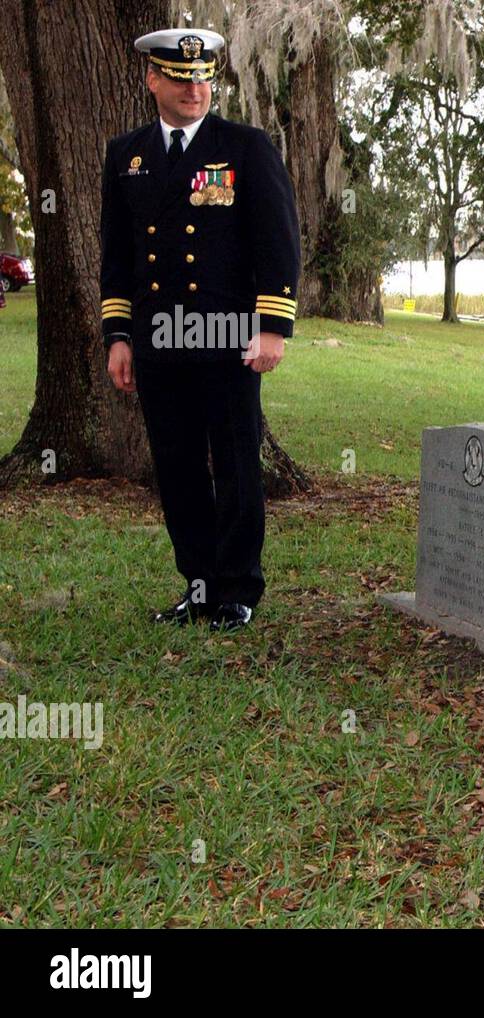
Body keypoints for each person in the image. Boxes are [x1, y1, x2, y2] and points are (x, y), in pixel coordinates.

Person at [100, 28, 301, 632]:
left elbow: (278, 240)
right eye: (181, 77)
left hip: (227, 337)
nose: (195, 88)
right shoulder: (126, 156)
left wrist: (272, 327)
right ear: (153, 80)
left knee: (237, 465)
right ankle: (199, 585)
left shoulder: (244, 147)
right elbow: (117, 254)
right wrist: (118, 335)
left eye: (204, 76)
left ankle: (237, 590)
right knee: (178, 467)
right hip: (159, 338)